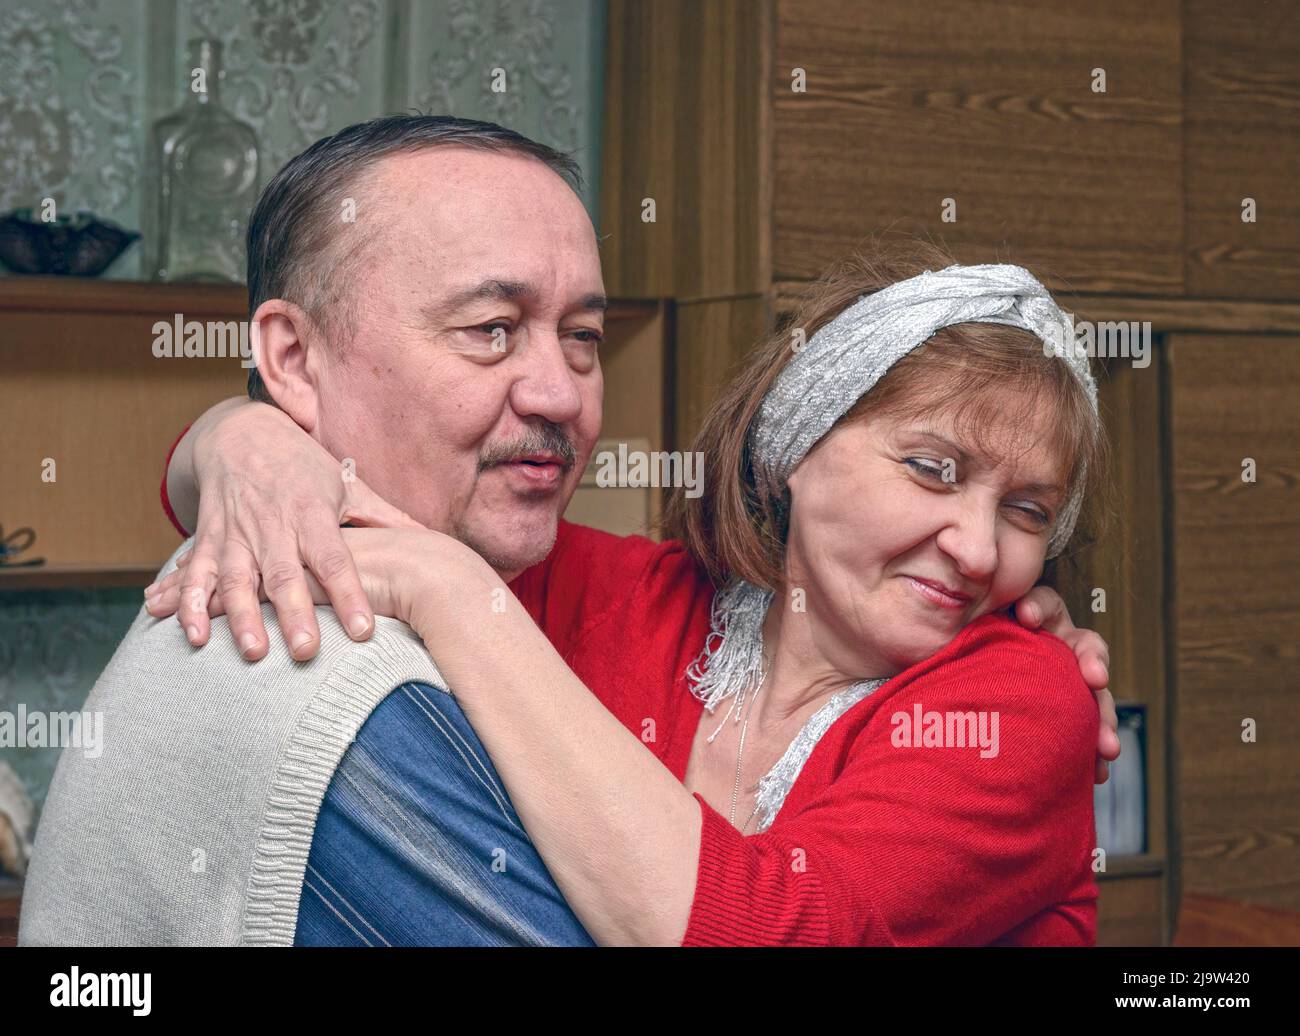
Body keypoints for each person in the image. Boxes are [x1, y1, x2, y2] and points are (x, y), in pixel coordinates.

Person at [19, 114, 1113, 947]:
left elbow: (781, 928)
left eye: (1026, 511)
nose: (976, 547)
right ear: (791, 446)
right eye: (492, 330)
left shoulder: (1018, 694)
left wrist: (447, 586)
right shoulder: (616, 594)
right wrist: (233, 444)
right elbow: (300, 513)